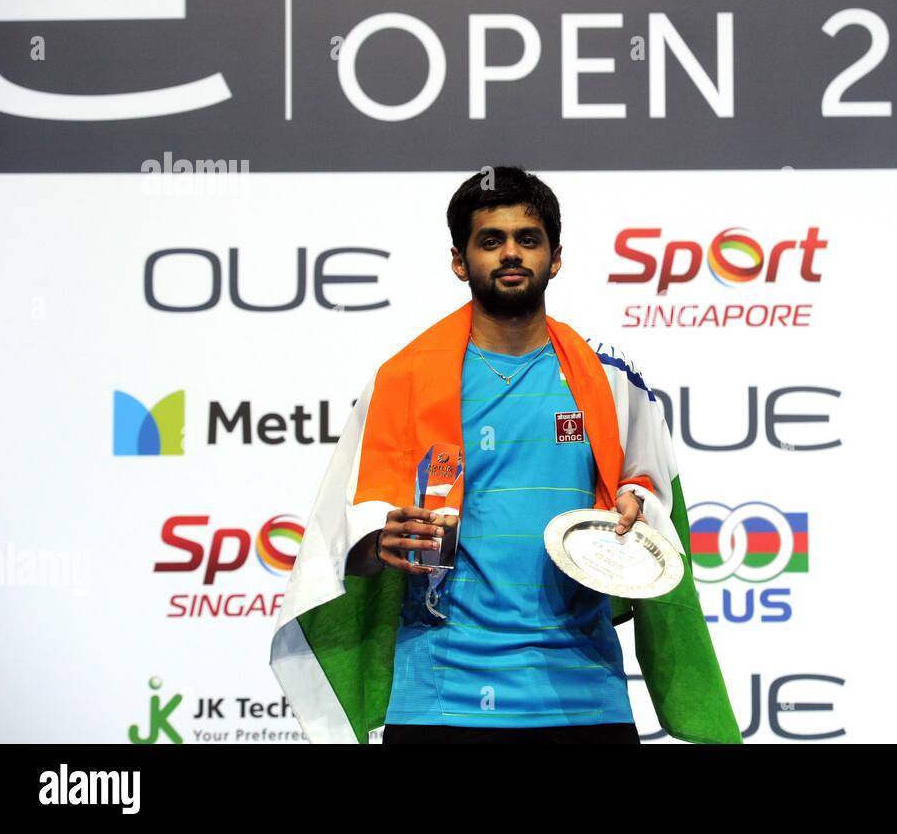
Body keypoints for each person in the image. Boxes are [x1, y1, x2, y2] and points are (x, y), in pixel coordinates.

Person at [270, 166, 739, 744]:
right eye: (490, 241)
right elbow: (346, 545)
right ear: (459, 261)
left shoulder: (612, 381)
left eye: (528, 239)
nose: (511, 254)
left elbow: (654, 503)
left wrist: (636, 503)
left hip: (583, 698)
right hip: (442, 703)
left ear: (556, 255)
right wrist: (375, 543)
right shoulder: (404, 381)